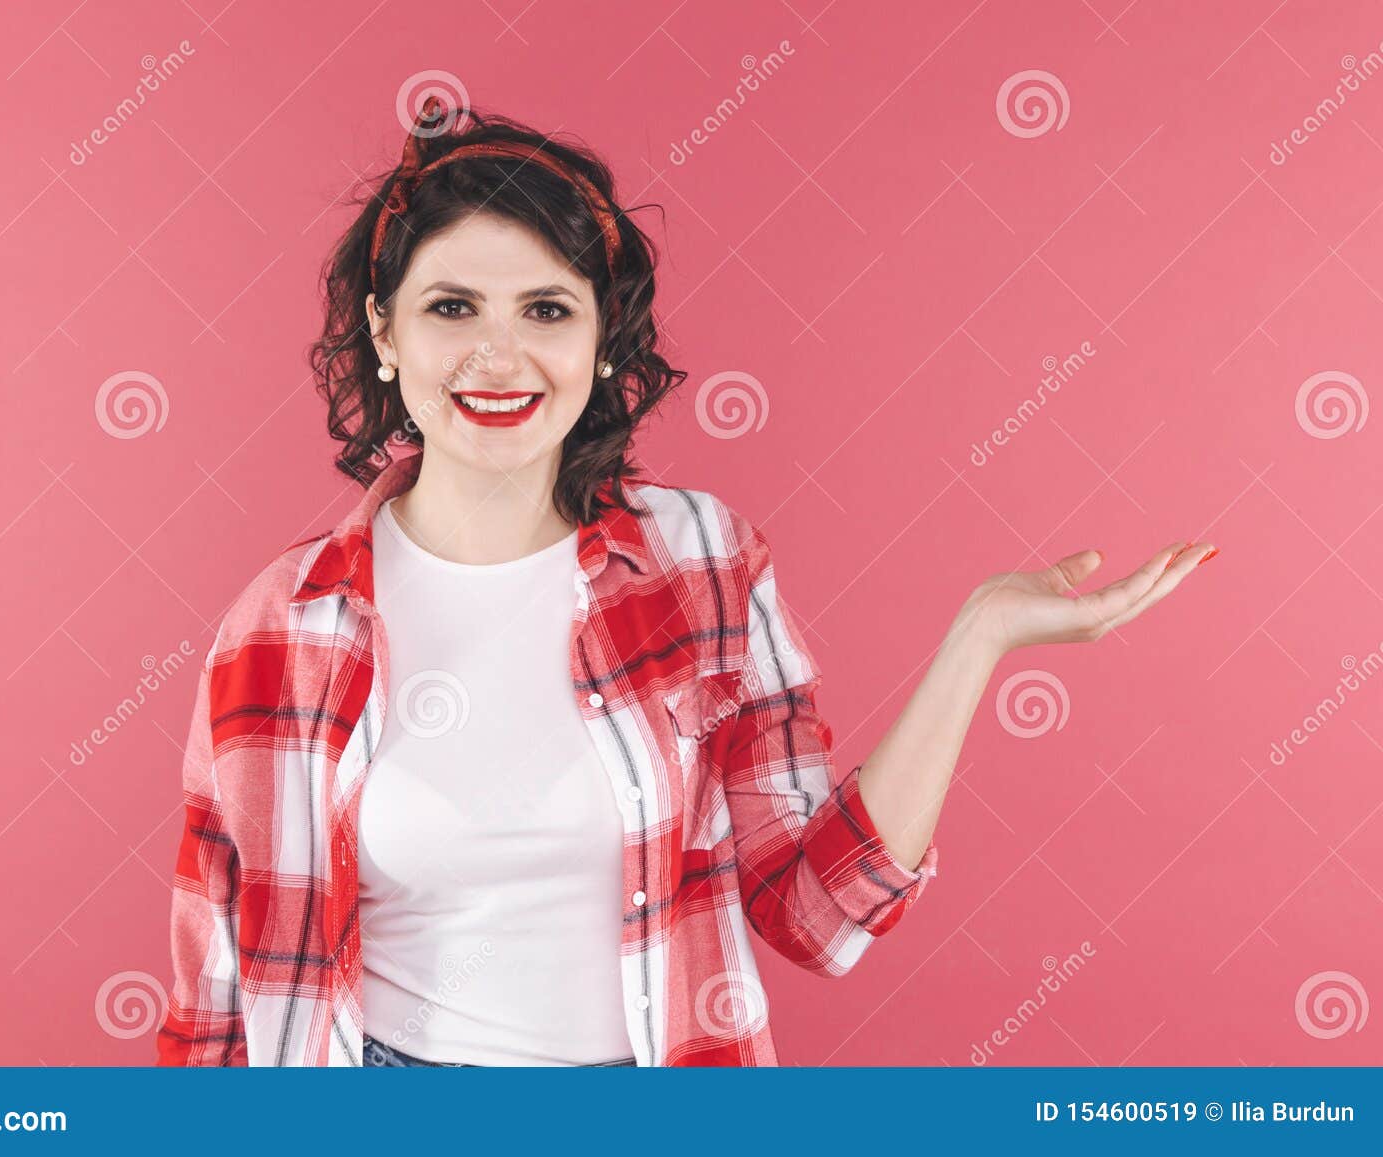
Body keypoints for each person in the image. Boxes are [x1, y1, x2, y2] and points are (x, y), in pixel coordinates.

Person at [155, 96, 1217, 1068]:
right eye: (451, 306)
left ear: (603, 336)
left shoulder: (702, 562)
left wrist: (976, 640)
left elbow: (814, 908)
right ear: (385, 332)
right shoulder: (282, 623)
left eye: (545, 310)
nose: (497, 354)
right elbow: (212, 990)